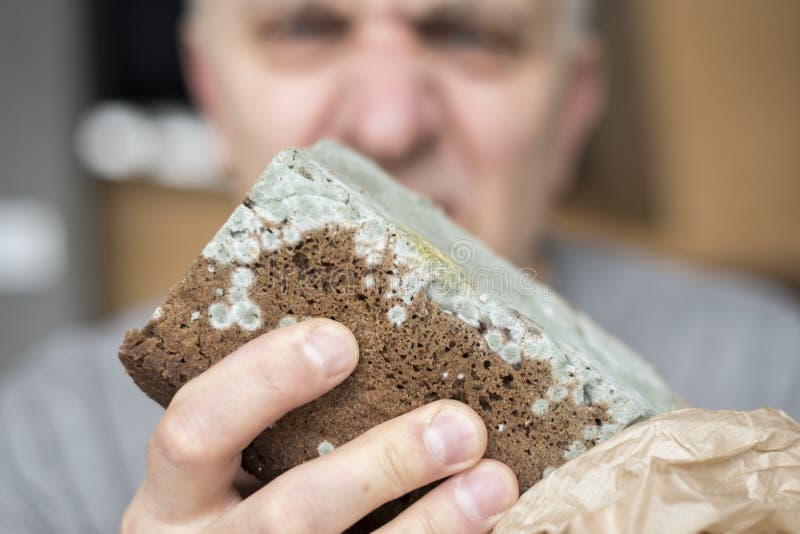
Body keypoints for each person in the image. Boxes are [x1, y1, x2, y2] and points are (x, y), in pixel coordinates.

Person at [1, 1, 798, 532]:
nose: (387, 125)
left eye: (468, 34)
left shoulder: (770, 373)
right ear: (210, 90)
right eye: (306, 28)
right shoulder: (44, 445)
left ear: (575, 109)